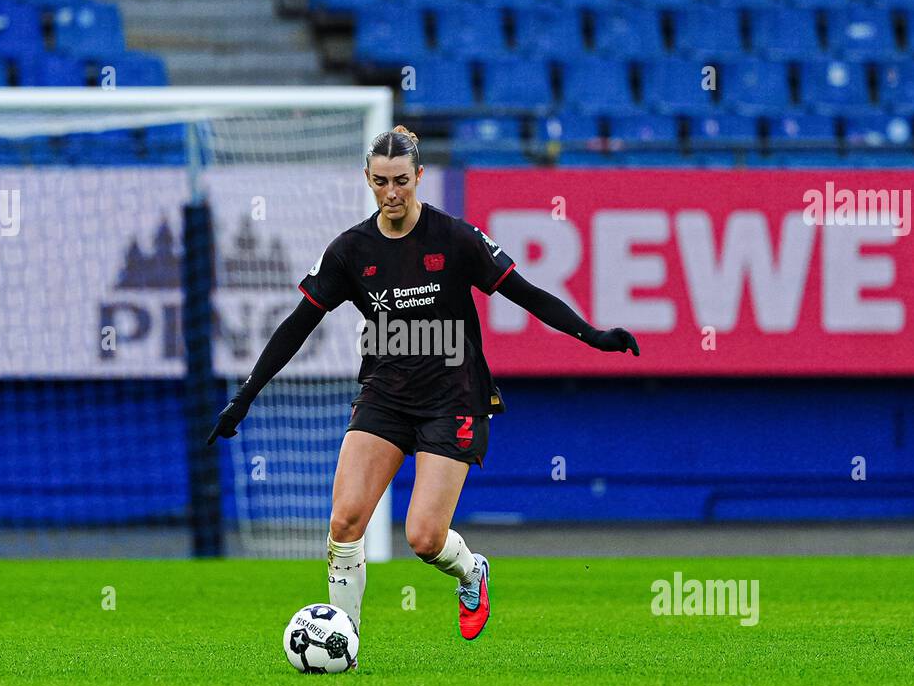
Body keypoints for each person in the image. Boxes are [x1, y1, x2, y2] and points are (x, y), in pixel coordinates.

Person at [207, 126, 639, 650]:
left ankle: (471, 572)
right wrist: (246, 396)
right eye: (382, 181)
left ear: (419, 178)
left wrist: (591, 335)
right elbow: (298, 324)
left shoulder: (455, 238)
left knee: (423, 538)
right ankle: (344, 643)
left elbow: (526, 294)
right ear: (367, 178)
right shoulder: (350, 251)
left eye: (402, 182)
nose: (392, 193)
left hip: (453, 399)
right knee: (345, 522)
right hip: (384, 397)